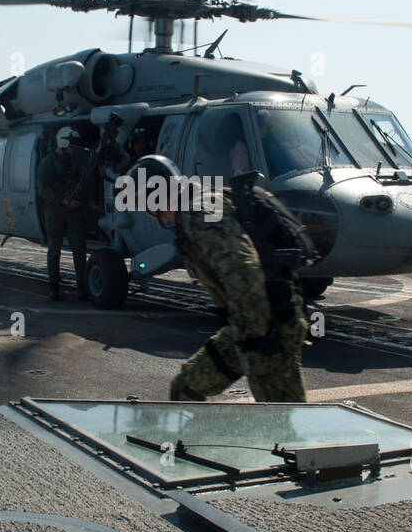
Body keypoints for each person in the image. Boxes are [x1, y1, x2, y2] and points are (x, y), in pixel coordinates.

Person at [126, 155, 308, 403]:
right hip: (249, 325)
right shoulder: (200, 205)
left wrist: (255, 340)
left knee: (278, 419)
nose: (145, 213)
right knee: (185, 387)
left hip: (269, 328)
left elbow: (242, 269)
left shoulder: (199, 213)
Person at [36, 126, 95, 301]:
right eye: (71, 146)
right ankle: (54, 286)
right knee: (54, 249)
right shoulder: (47, 163)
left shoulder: (76, 159)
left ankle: (81, 287)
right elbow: (43, 189)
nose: (73, 150)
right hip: (55, 211)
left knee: (79, 248)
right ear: (62, 143)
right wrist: (62, 200)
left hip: (74, 212)